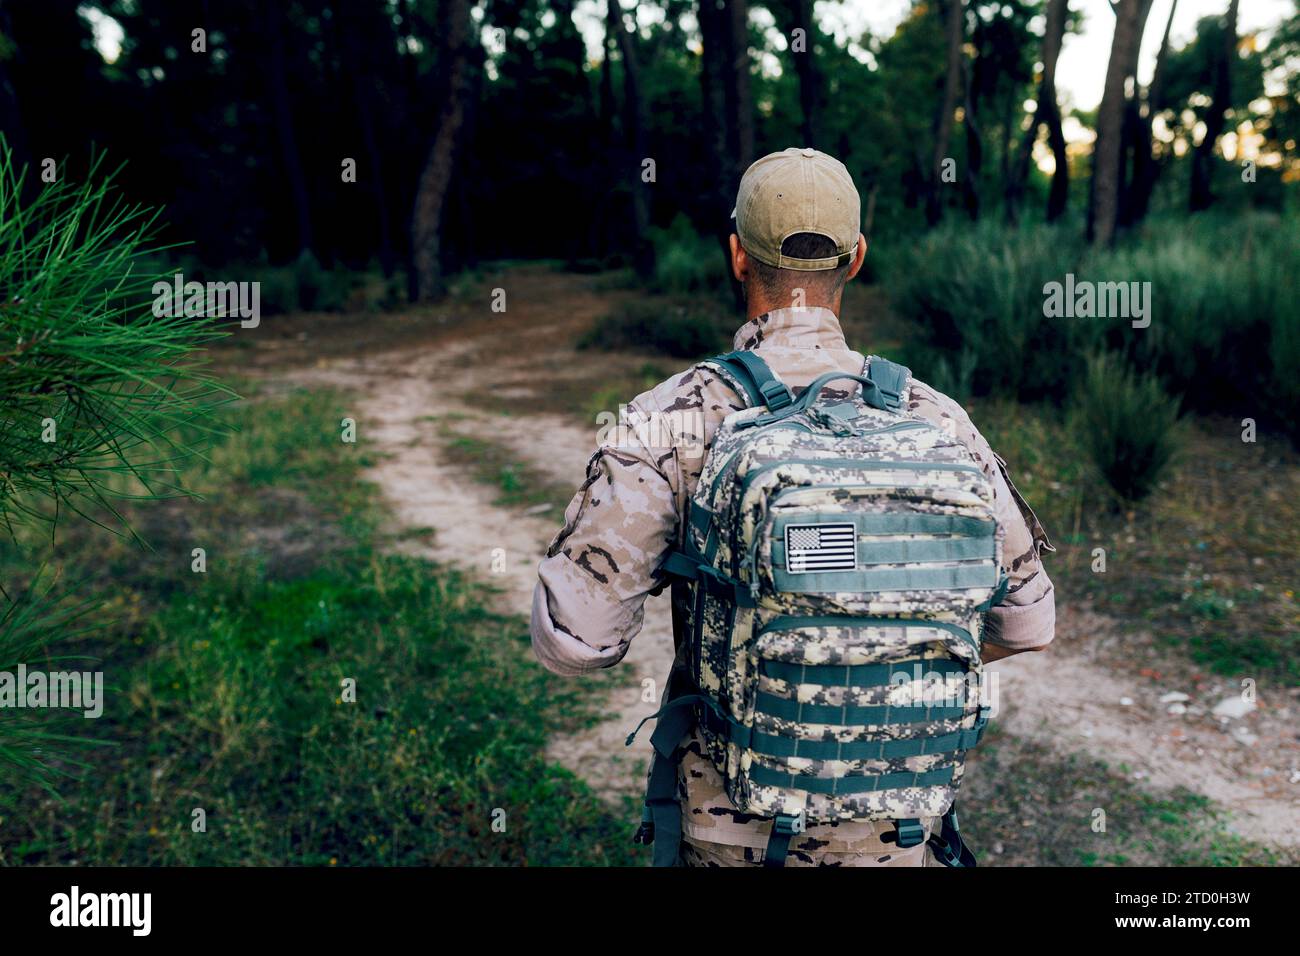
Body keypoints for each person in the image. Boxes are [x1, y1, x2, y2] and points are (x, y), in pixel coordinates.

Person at [531, 147, 1055, 866]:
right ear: (857, 258)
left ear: (738, 256)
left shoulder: (669, 419)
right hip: (899, 831)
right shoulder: (938, 420)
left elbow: (577, 641)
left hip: (730, 829)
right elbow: (1028, 622)